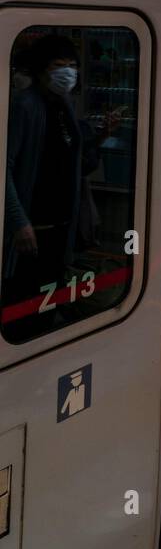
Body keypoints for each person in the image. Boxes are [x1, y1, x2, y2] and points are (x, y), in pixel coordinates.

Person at [3, 35, 100, 338]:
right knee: (22, 305)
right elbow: (5, 167)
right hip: (31, 232)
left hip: (60, 230)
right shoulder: (25, 106)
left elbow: (78, 164)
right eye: (59, 66)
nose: (67, 73)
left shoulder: (65, 106)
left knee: (46, 304)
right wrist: (19, 221)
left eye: (72, 66)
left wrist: (97, 137)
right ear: (42, 70)